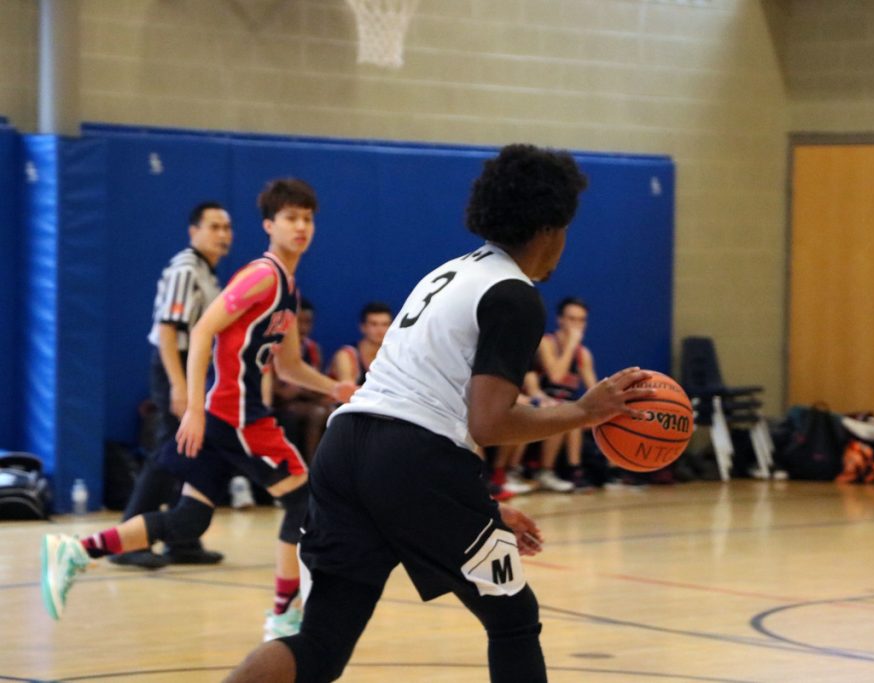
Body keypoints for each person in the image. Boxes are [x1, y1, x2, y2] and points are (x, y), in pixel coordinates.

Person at [224, 144, 653, 683]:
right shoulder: (515, 295)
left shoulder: (448, 273)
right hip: (410, 461)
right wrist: (585, 412)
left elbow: (427, 408)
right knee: (513, 618)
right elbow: (487, 423)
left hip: (345, 449)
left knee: (318, 645)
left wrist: (481, 507)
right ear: (548, 228)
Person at [41, 179, 355, 642]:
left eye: (307, 218)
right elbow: (204, 329)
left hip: (226, 416)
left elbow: (287, 366)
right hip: (237, 414)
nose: (301, 226)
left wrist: (336, 388)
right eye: (290, 218)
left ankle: (78, 551)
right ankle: (284, 614)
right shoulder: (262, 275)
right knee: (301, 501)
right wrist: (192, 406)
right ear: (269, 225)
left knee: (189, 520)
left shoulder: (287, 286)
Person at [110, 201, 233, 570]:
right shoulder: (185, 269)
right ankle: (126, 538)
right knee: (169, 451)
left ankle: (183, 541)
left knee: (191, 452)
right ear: (193, 230)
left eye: (227, 227)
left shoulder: (206, 273)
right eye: (214, 227)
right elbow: (167, 333)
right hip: (174, 367)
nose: (223, 235)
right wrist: (180, 387)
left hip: (194, 370)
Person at [533, 297, 599, 492]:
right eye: (571, 319)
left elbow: (594, 390)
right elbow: (556, 376)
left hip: (564, 408)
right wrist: (570, 345)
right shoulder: (547, 342)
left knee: (575, 415)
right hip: (538, 404)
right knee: (564, 413)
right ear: (560, 320)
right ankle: (545, 471)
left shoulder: (583, 354)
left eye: (581, 320)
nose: (576, 325)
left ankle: (575, 472)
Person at [273, 298, 332, 462]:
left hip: (302, 402)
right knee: (312, 413)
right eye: (300, 322)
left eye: (308, 322)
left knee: (331, 412)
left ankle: (324, 466)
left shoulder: (313, 349)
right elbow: (280, 393)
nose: (303, 328)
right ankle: (309, 465)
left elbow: (317, 391)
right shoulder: (274, 347)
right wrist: (306, 386)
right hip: (278, 405)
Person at [327, 301, 393, 386]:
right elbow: (347, 393)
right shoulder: (345, 356)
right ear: (363, 327)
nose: (380, 330)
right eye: (374, 324)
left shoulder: (395, 355)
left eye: (385, 324)